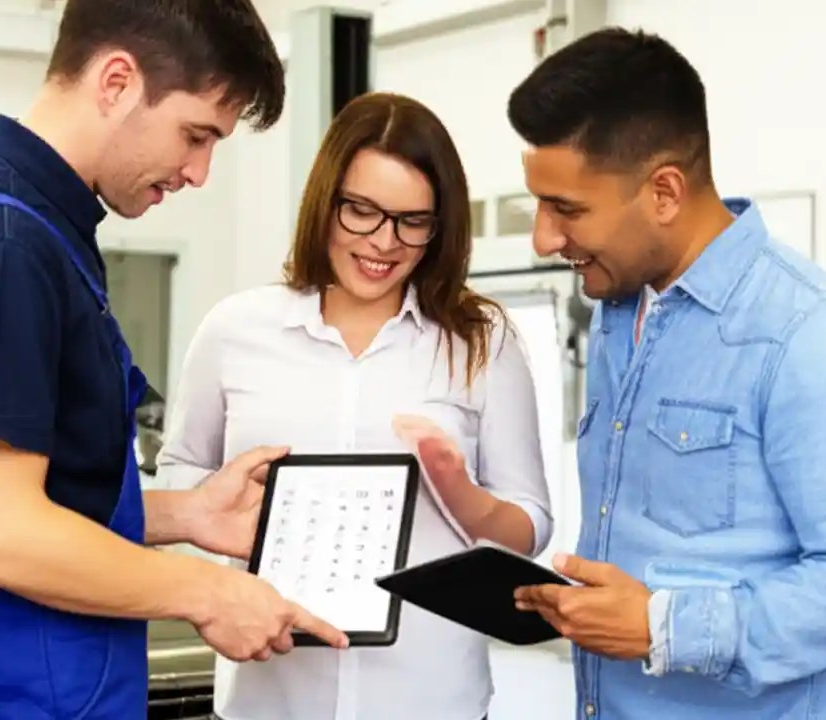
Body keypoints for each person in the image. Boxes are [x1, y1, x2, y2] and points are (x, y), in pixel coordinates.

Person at [0, 1, 347, 717]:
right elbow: (1, 536)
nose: (199, 173)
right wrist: (210, 591)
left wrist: (187, 514)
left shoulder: (49, 236)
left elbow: (52, 493)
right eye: (196, 135)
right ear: (117, 81)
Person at [506, 27, 826, 719]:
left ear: (664, 191)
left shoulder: (815, 336)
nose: (543, 239)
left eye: (567, 210)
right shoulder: (617, 317)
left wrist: (663, 627)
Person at [155, 91, 554, 720]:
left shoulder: (483, 342)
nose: (383, 242)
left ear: (440, 226)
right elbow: (179, 474)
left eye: (412, 221)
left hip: (429, 700)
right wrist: (229, 541)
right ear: (325, 201)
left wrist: (460, 493)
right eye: (361, 211)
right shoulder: (235, 330)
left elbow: (531, 524)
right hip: (270, 698)